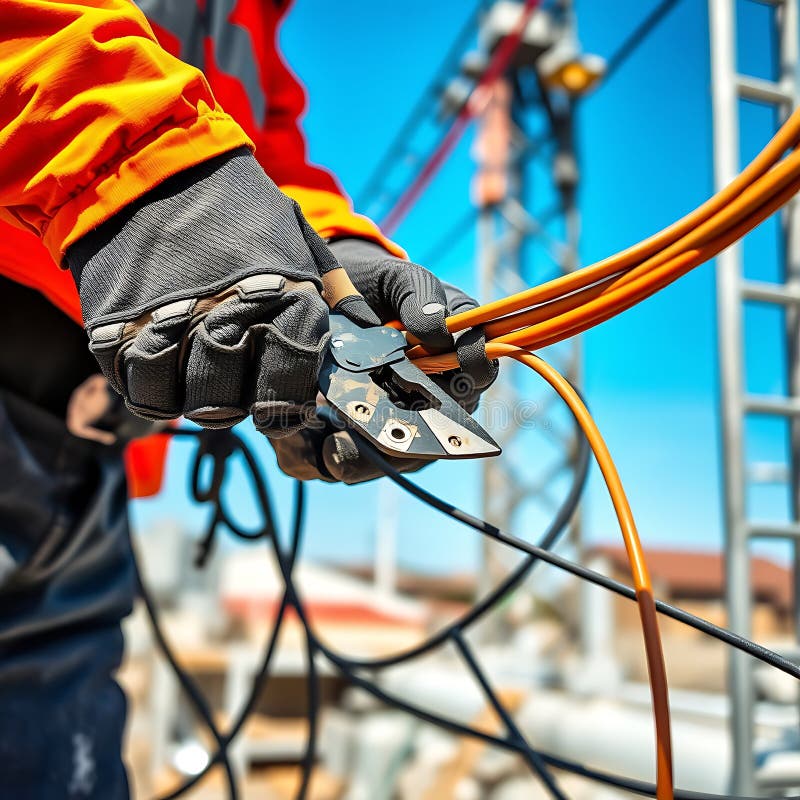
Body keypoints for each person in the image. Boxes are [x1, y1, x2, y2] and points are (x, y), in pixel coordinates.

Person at [0, 2, 498, 797]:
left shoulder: (243, 17)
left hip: (80, 451)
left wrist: (332, 258)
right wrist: (146, 178)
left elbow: (252, 158)